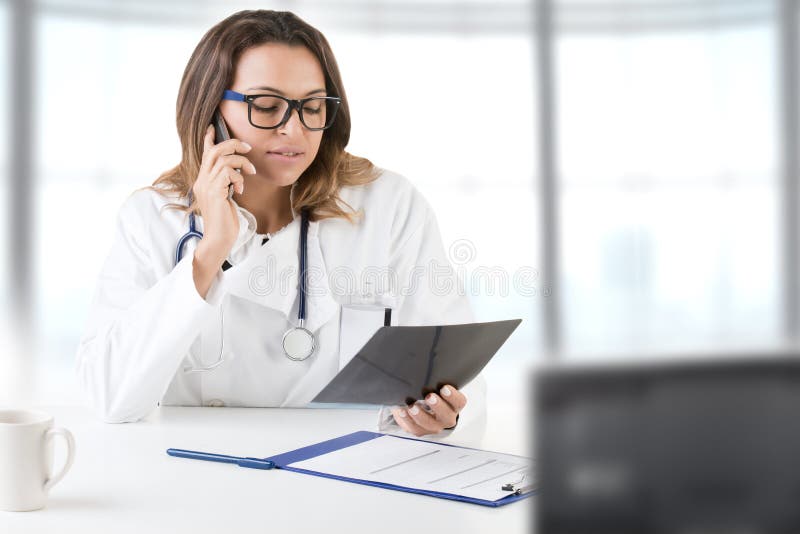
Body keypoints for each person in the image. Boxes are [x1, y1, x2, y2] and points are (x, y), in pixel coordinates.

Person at [75, 9, 485, 439]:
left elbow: (457, 369)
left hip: (347, 475)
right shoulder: (153, 218)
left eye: (312, 107)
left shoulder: (388, 205)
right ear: (211, 110)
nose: (294, 129)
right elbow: (111, 397)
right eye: (266, 106)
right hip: (201, 472)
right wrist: (209, 252)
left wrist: (445, 415)